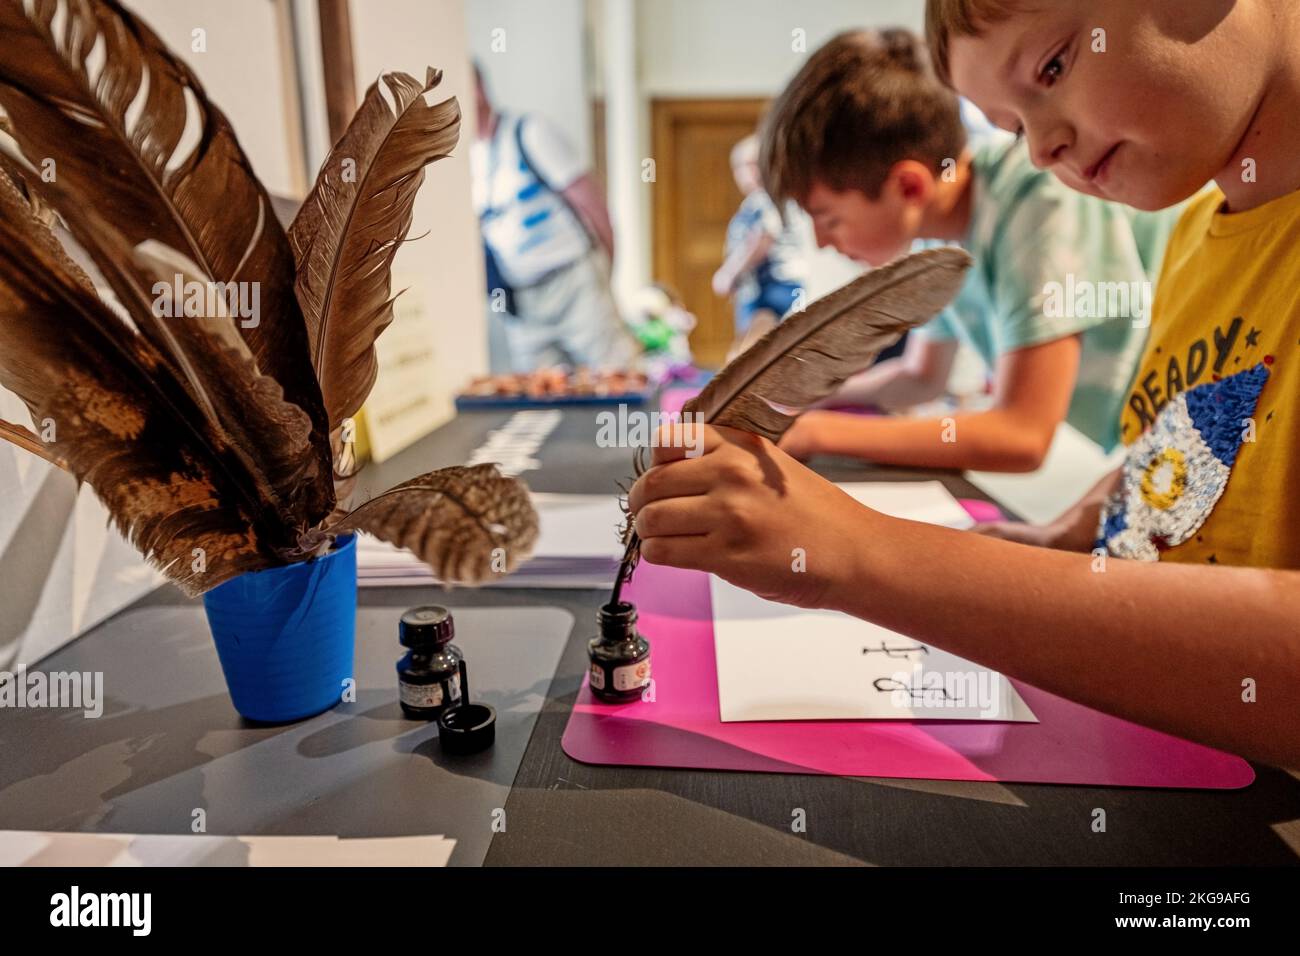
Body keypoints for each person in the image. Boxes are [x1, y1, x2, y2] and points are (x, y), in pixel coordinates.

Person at [626, 0, 1300, 767]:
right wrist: (1062, 538)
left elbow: (1020, 432)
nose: (1042, 149)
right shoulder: (1197, 229)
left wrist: (852, 544)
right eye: (1011, 126)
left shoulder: (1052, 203)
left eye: (1053, 66)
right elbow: (1176, 447)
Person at [760, 29, 1181, 472]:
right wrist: (795, 396)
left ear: (908, 186)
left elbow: (1021, 435)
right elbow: (921, 377)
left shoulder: (1038, 196)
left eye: (829, 219)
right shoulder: (933, 232)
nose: (824, 242)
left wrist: (814, 432)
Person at [470, 65, 636, 372]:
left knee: (614, 373)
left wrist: (605, 272)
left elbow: (593, 203)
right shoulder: (468, 159)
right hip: (522, 300)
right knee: (542, 392)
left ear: (477, 89)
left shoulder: (529, 132)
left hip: (572, 279)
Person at [713, 135, 807, 359]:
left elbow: (762, 240)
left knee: (749, 357)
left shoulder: (767, 200)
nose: (749, 173)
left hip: (774, 288)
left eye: (755, 165)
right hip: (758, 289)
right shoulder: (755, 202)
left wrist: (728, 274)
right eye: (742, 167)